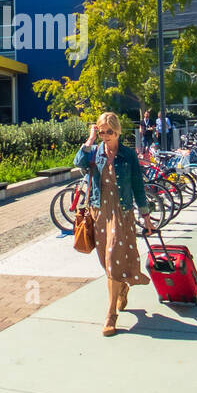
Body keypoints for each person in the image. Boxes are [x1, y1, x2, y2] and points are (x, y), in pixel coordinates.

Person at [74, 112, 156, 337]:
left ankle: (111, 315)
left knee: (112, 258)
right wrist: (90, 141)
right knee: (105, 260)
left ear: (118, 132)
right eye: (101, 131)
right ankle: (122, 287)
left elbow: (138, 187)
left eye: (109, 131)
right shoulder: (96, 152)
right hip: (99, 212)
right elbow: (77, 162)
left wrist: (146, 216)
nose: (105, 135)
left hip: (121, 213)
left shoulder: (128, 155)